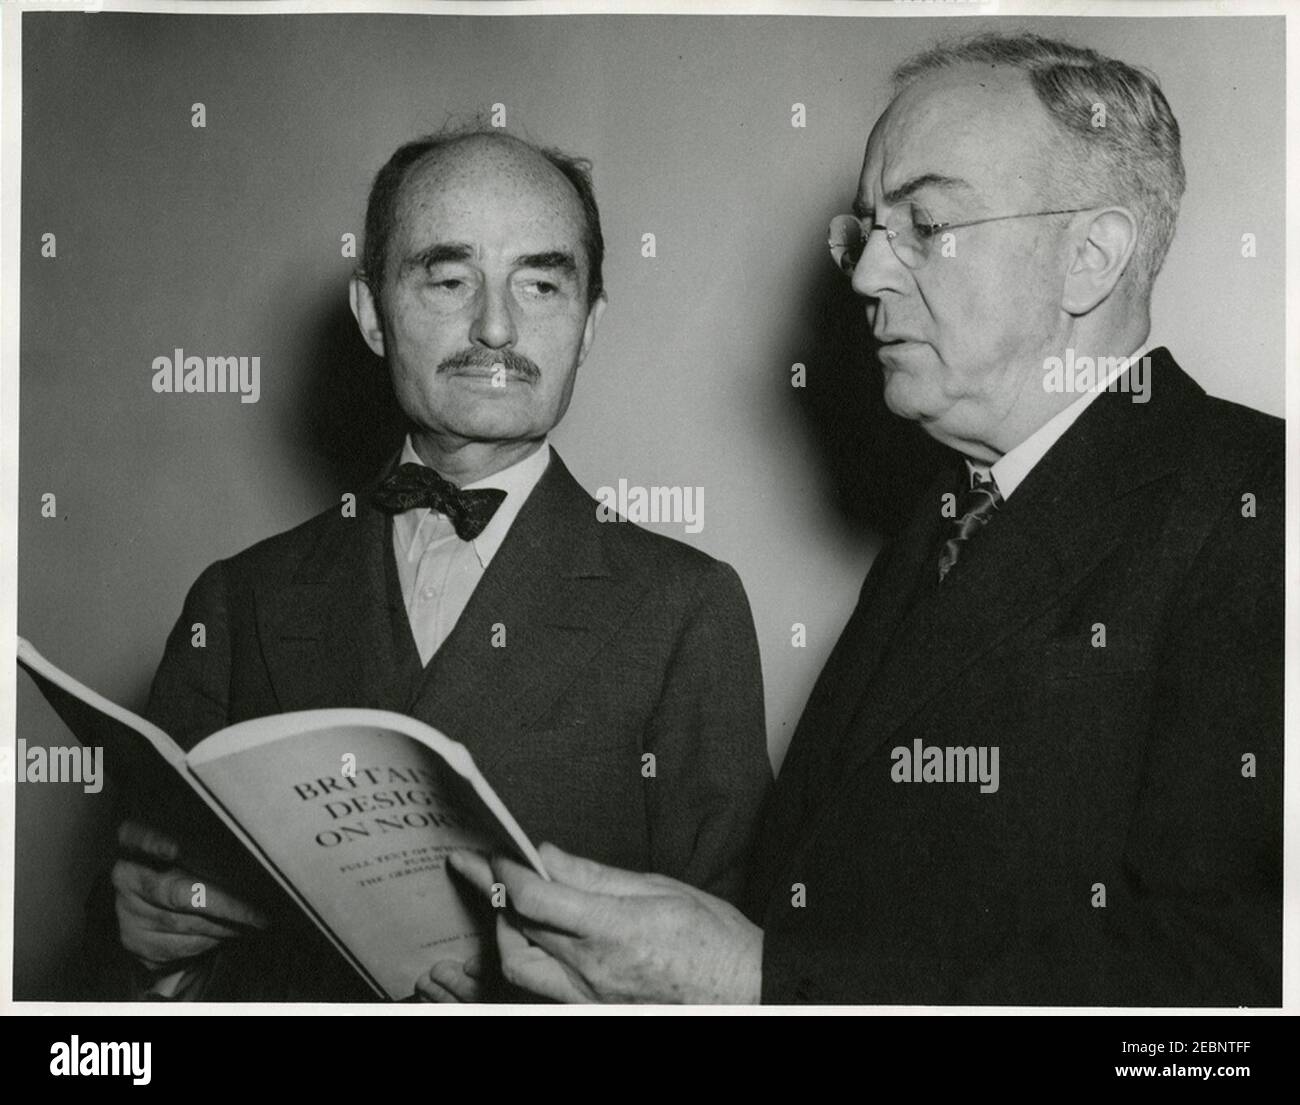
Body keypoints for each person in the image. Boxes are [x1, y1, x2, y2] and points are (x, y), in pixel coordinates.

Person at [442, 32, 1283, 1006]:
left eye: (924, 226)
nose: (866, 275)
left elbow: (1226, 998)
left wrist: (757, 979)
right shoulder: (950, 513)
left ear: (1088, 257)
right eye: (866, 232)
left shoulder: (1256, 509)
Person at [89, 129, 772, 1001]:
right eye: (450, 281)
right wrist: (159, 951)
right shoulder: (238, 600)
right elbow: (104, 982)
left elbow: (734, 974)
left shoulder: (687, 609)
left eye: (541, 282)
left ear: (590, 324)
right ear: (372, 313)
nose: (496, 326)